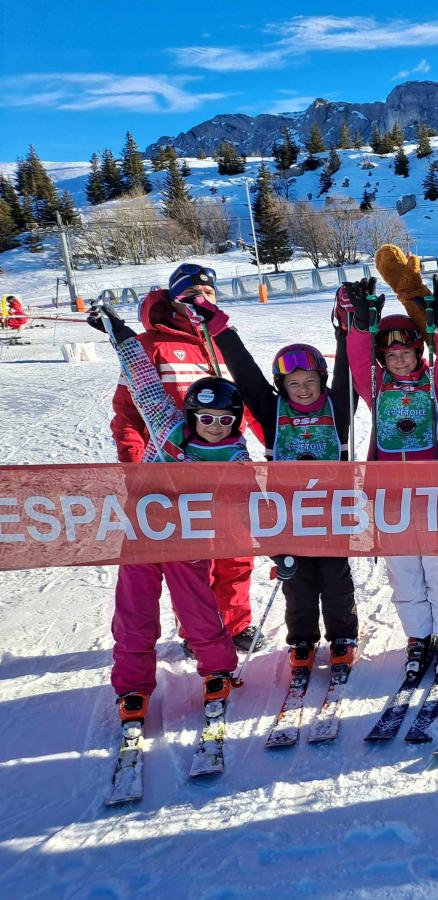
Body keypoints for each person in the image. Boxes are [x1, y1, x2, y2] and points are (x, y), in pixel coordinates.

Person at [87, 302, 243, 724]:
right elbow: (145, 384)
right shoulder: (167, 426)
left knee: (197, 607)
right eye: (205, 417)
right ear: (191, 415)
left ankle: (217, 670)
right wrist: (122, 337)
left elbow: (250, 503)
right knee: (134, 610)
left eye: (224, 420)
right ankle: (132, 685)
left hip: (188, 538)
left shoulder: (235, 457)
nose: (214, 426)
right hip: (143, 530)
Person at [189, 293, 360, 675]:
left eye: (310, 381)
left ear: (322, 381)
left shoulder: (338, 407)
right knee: (297, 583)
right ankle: (302, 640)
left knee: (335, 580)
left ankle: (343, 637)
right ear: (282, 385)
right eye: (293, 382)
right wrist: (219, 327)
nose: (303, 389)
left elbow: (349, 369)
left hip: (332, 514)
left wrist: (347, 328)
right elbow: (246, 373)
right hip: (288, 517)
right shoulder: (273, 411)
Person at [109, 263, 260, 653]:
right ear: (174, 300)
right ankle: (199, 630)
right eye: (192, 295)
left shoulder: (220, 342)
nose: (201, 301)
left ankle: (236, 623)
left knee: (236, 552)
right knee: (194, 560)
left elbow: (250, 405)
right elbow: (129, 412)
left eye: (209, 294)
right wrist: (135, 467)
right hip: (174, 472)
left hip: (226, 466)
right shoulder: (152, 345)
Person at [344, 276, 438, 678]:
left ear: (418, 352)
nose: (398, 360)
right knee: (404, 573)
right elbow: (357, 361)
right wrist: (360, 327)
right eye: (390, 354)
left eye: (406, 352)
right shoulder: (377, 389)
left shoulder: (436, 389)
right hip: (391, 499)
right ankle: (418, 635)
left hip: (434, 496)